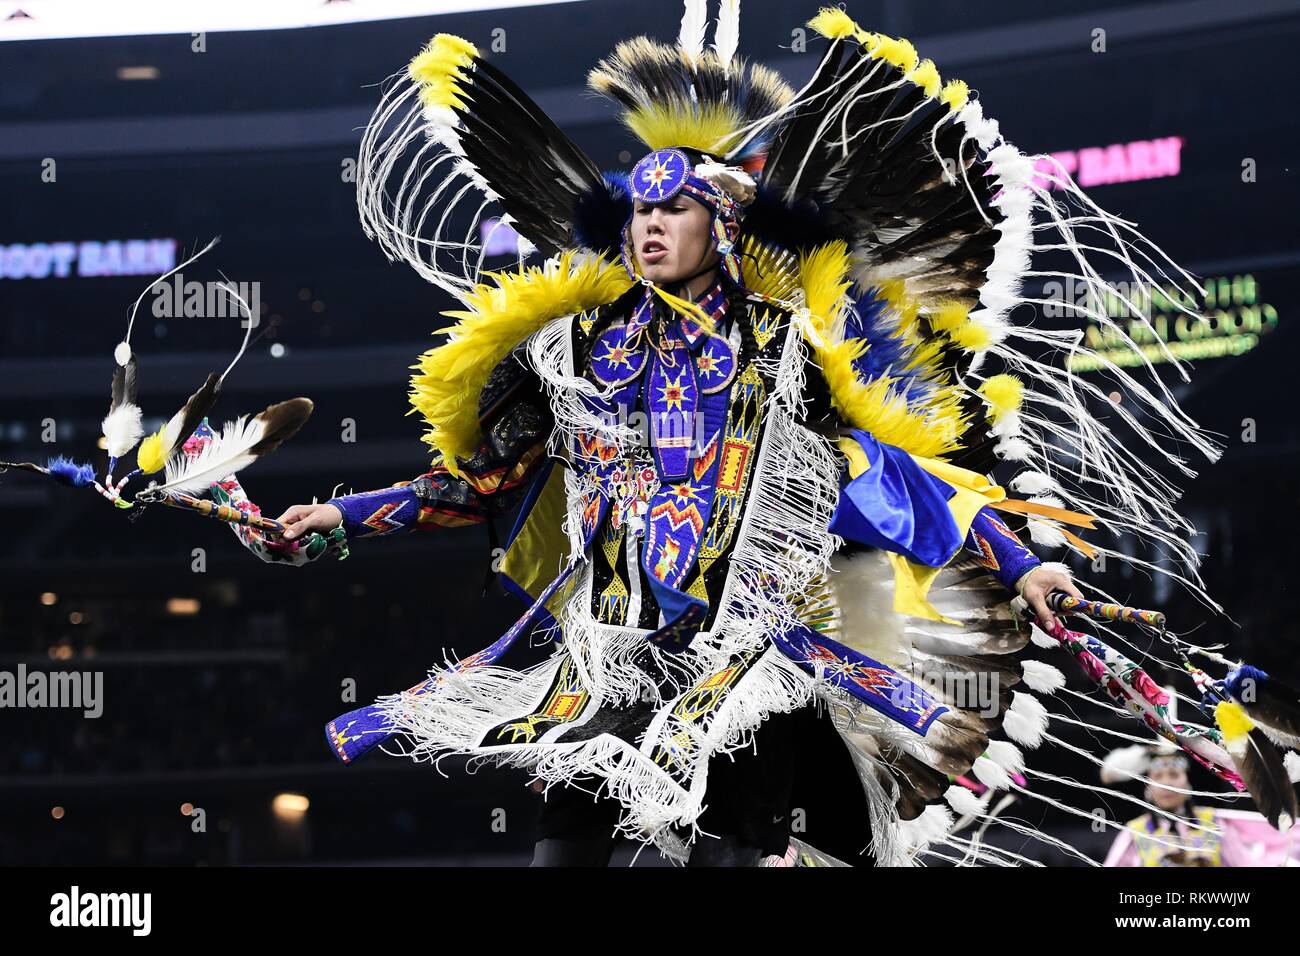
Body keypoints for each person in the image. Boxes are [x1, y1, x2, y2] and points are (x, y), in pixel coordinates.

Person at [202, 4, 1249, 866]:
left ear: (725, 225)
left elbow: (896, 475)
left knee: (734, 856)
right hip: (605, 659)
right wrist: (333, 519)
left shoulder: (792, 356)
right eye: (638, 208)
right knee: (561, 856)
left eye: (677, 204)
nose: (650, 221)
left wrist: (1024, 565)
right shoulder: (572, 351)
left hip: (745, 664)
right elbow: (480, 484)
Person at [1102, 745, 1299, 866]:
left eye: (1174, 775)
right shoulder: (1135, 832)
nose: (1166, 783)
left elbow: (1244, 864)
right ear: (1148, 787)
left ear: (1187, 783)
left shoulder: (1213, 824)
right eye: (1158, 777)